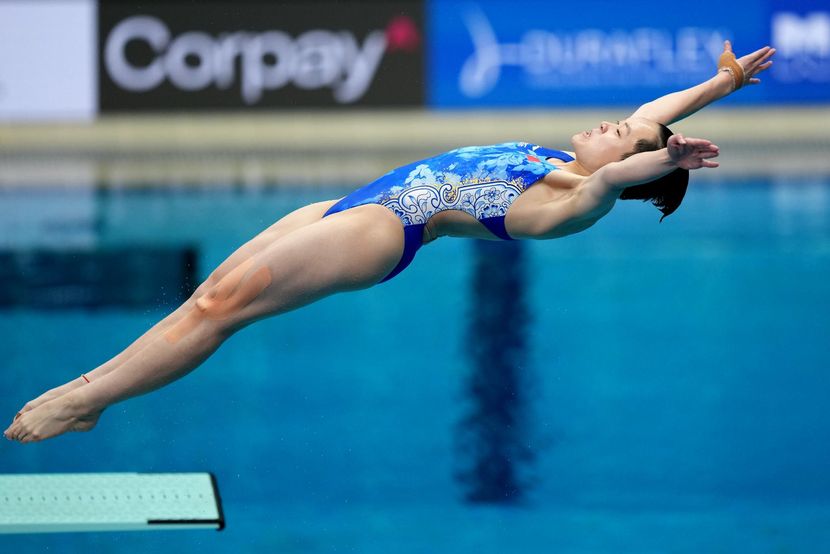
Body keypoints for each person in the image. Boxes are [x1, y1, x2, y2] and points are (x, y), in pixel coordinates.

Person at [4, 41, 774, 443]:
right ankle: (92, 388)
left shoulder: (580, 197)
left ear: (635, 169)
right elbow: (649, 109)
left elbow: (625, 165)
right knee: (206, 296)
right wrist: (720, 86)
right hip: (354, 202)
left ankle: (83, 401)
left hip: (386, 229)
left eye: (628, 140)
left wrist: (667, 157)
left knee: (222, 307)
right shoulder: (561, 160)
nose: (619, 124)